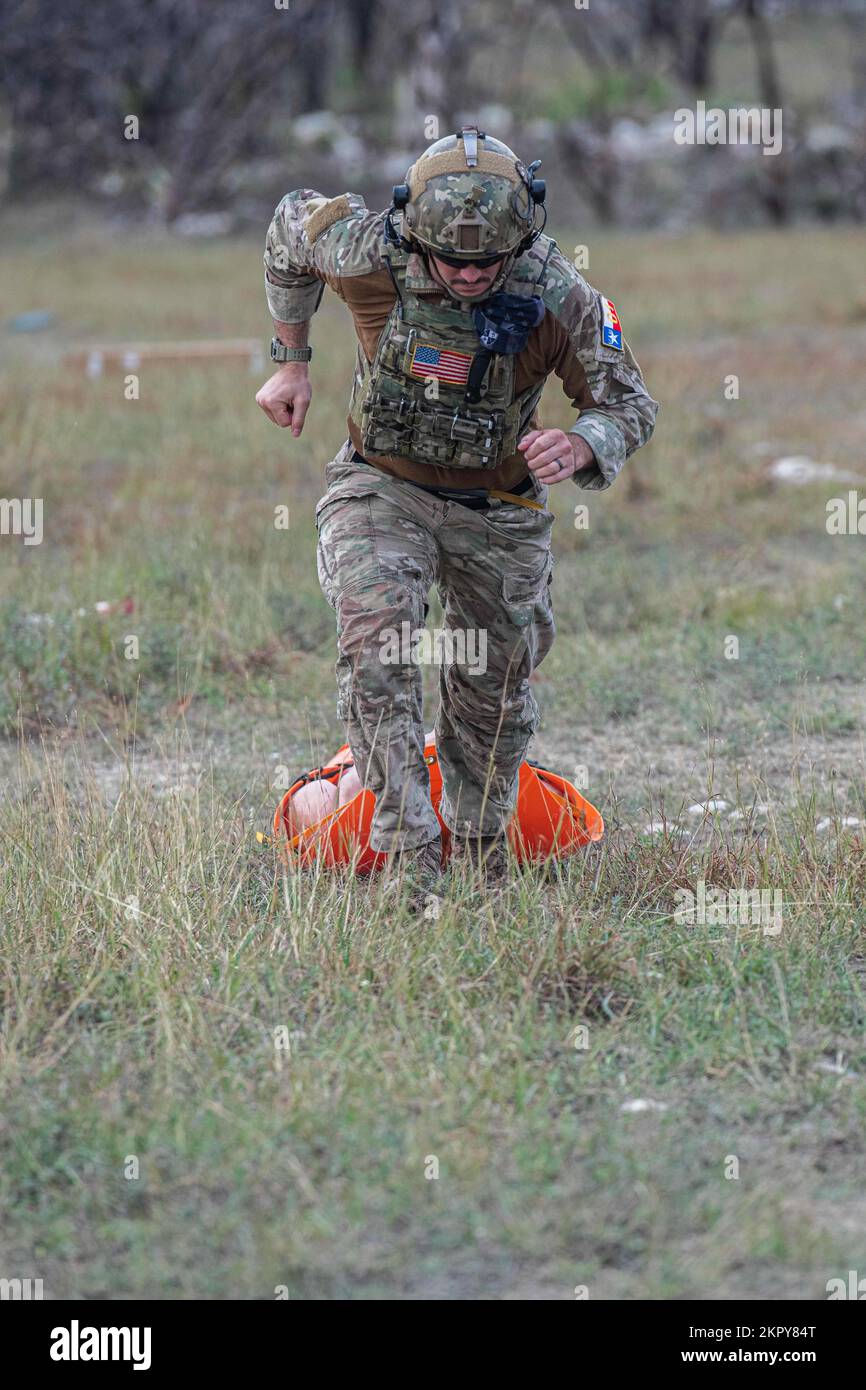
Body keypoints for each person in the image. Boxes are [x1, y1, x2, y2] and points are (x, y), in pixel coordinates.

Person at [256, 128, 658, 900]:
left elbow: (629, 403)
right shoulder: (369, 249)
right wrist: (291, 360)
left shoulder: (558, 292)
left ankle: (478, 848)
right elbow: (286, 230)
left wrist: (581, 445)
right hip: (381, 487)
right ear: (416, 238)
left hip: (497, 506)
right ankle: (410, 856)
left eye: (487, 262)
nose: (470, 274)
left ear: (521, 241)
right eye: (452, 261)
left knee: (493, 684)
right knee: (377, 649)